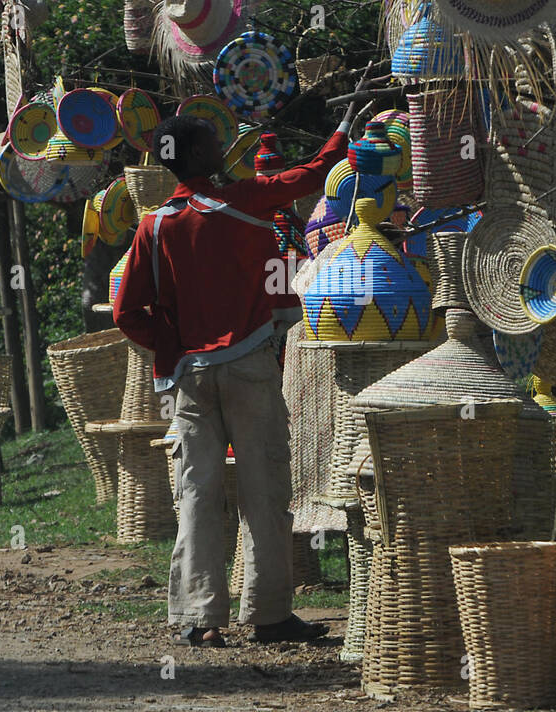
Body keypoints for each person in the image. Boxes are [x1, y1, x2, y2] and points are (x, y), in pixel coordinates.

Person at [113, 81, 369, 647]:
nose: (221, 148)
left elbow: (127, 312)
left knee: (198, 494)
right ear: (201, 157)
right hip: (251, 366)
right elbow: (309, 176)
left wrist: (173, 347)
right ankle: (270, 614)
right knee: (264, 490)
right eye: (212, 143)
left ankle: (199, 619)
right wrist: (344, 132)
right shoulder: (242, 201)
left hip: (189, 379)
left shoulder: (153, 226)